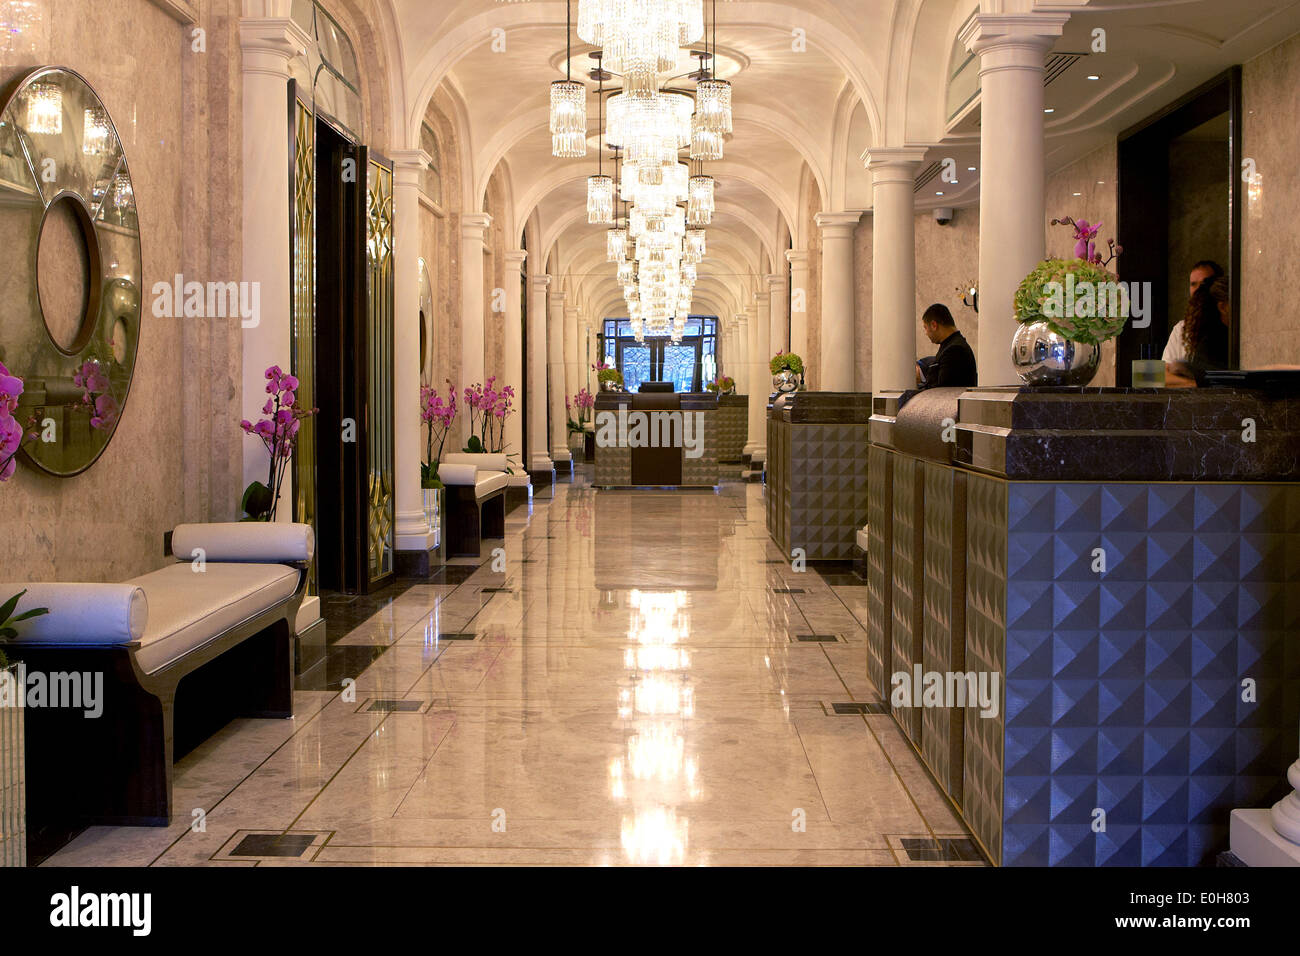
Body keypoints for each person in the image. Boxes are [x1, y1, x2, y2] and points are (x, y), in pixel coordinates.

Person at [1164, 260, 1224, 386]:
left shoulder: (1224, 327)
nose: (1198, 289)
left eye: (1204, 283)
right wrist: (1193, 385)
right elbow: (1163, 376)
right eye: (1193, 284)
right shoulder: (1181, 328)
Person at [916, 303, 976, 389]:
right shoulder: (950, 346)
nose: (926, 333)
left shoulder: (955, 350)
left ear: (934, 325)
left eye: (925, 328)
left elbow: (942, 390)